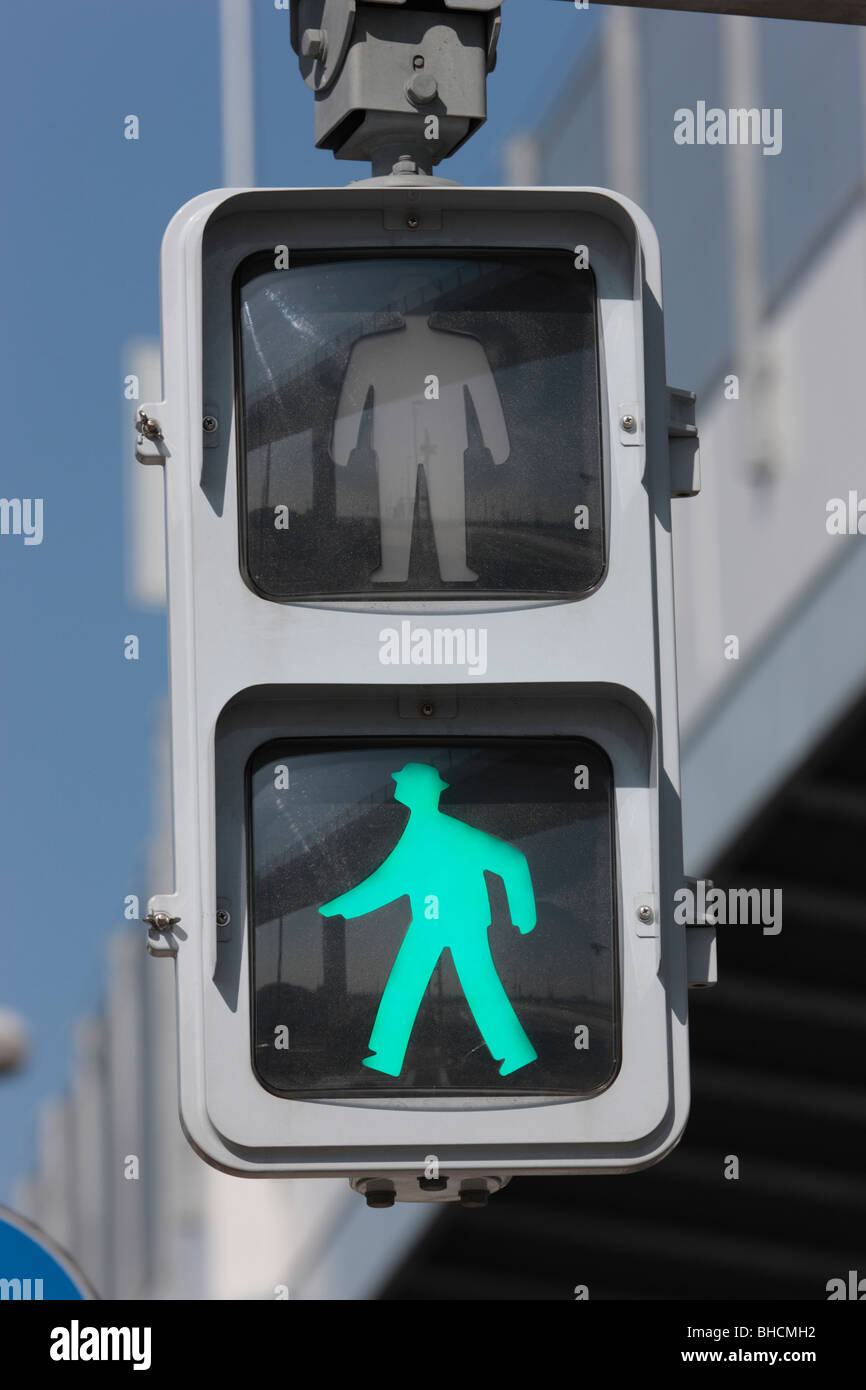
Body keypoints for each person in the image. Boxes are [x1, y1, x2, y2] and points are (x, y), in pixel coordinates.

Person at [320, 762, 537, 1077]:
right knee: (420, 985)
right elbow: (389, 882)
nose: (397, 787)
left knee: (460, 987)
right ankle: (386, 1056)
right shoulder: (420, 831)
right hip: (433, 922)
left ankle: (387, 1055)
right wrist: (341, 908)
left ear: (417, 791)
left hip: (458, 923)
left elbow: (513, 861)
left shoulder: (440, 831)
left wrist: (523, 913)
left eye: (402, 782)